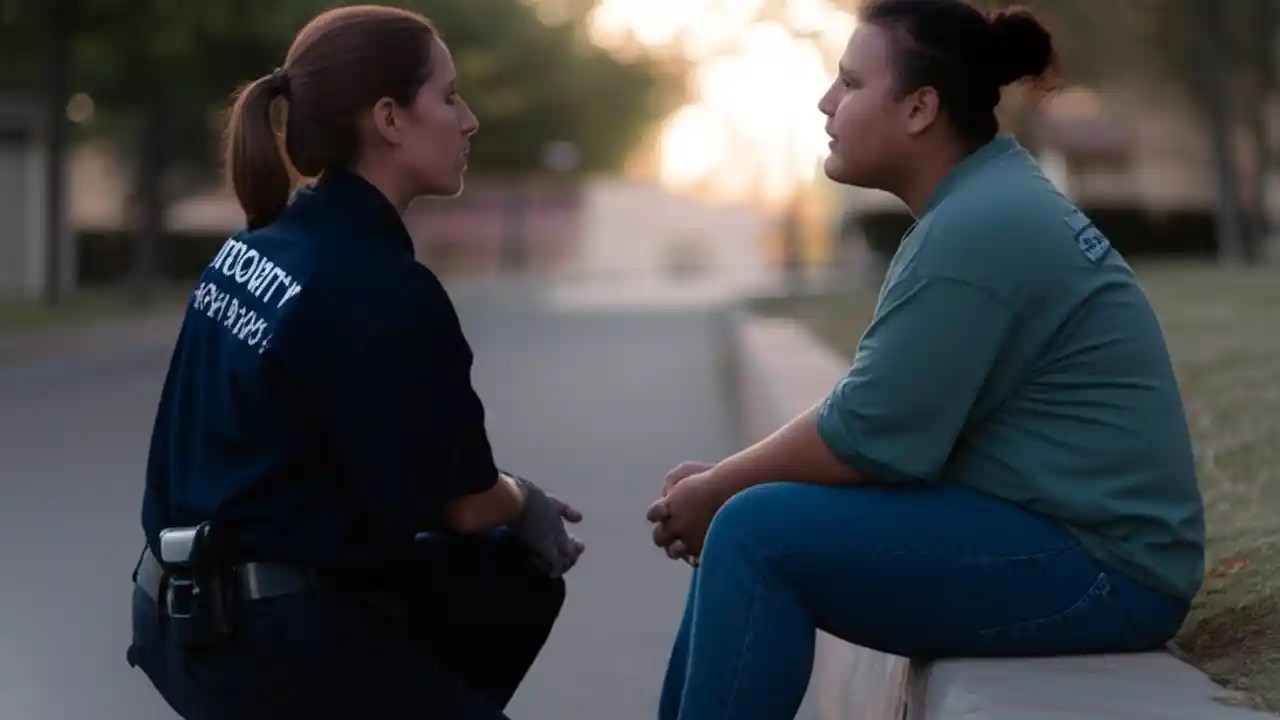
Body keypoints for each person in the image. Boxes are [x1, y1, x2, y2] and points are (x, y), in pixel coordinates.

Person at [646, 1, 1206, 718]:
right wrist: (724, 486)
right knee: (746, 520)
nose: (826, 103)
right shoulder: (985, 205)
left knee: (755, 533)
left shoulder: (978, 226)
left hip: (1105, 570)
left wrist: (720, 485)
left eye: (850, 83)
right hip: (1072, 542)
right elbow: (882, 416)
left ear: (919, 109)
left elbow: (867, 434)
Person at [126, 6, 584, 718]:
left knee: (491, 580)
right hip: (272, 648)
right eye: (449, 96)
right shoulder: (380, 288)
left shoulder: (253, 250)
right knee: (512, 560)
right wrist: (525, 502)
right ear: (389, 119)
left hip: (178, 618)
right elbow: (466, 501)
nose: (469, 121)